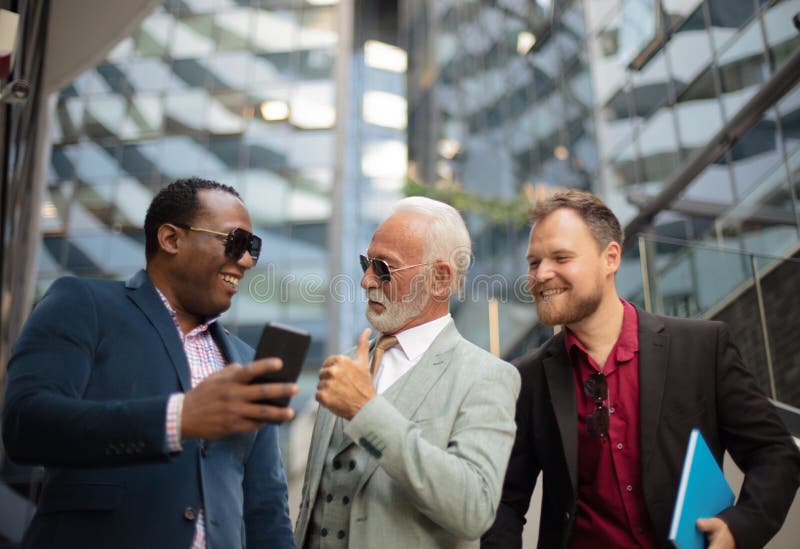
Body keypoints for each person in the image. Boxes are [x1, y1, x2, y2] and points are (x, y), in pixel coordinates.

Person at [481, 189, 800, 548]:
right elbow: (505, 503)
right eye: (534, 262)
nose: (541, 274)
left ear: (611, 258)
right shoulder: (527, 377)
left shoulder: (702, 348)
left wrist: (739, 527)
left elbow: (775, 453)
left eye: (560, 257)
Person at [2, 178, 298, 549]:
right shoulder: (84, 303)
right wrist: (178, 417)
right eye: (236, 242)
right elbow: (25, 424)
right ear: (171, 239)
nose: (246, 260)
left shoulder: (247, 361)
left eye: (252, 247)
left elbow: (265, 506)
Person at [294, 197, 521, 548]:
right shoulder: (344, 365)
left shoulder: (487, 377)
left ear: (439, 279)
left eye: (383, 268)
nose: (366, 281)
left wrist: (367, 412)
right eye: (365, 264)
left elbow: (474, 509)